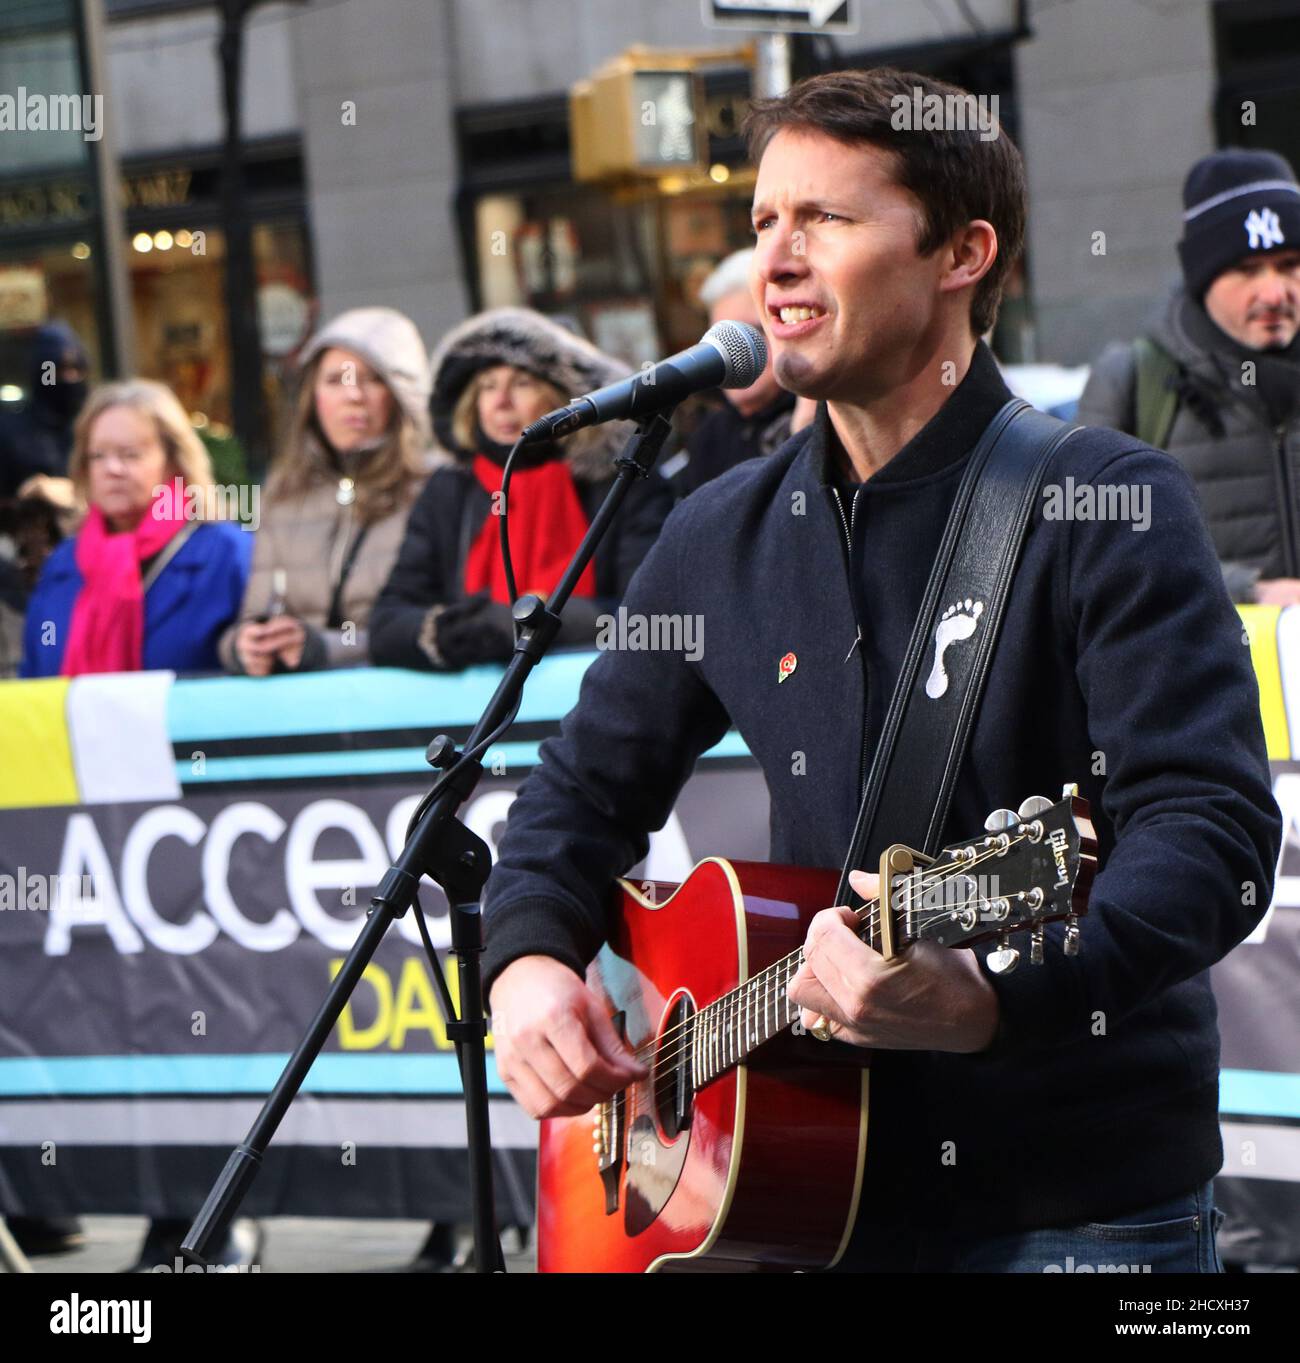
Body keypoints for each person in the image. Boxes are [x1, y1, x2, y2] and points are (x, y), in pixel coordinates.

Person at [480, 68, 1280, 1273]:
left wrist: (1001, 995)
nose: (777, 259)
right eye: (763, 223)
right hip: (812, 1205)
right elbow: (579, 792)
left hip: (1078, 1203)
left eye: (826, 220)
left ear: (961, 253)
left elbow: (1209, 832)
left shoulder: (1103, 502)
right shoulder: (714, 534)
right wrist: (530, 961)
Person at [369, 307, 671, 671]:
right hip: (471, 712)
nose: (501, 402)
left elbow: (652, 621)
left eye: (522, 383)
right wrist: (466, 632)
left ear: (563, 398)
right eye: (487, 386)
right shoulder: (448, 490)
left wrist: (533, 622)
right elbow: (386, 625)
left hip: (601, 690)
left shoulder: (624, 483)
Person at [1078, 149, 1300, 605]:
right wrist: (1250, 591)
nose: (1275, 292)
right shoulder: (1132, 382)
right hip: (1211, 672)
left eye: (1290, 265)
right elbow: (1090, 553)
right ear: (1202, 277)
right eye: (1247, 270)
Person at [219, 307, 436, 675]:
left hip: (407, 709)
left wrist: (325, 648)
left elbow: (438, 629)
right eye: (335, 380)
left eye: (372, 379)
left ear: (402, 393)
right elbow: (254, 616)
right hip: (307, 716)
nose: (353, 395)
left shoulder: (435, 485)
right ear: (311, 396)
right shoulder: (283, 492)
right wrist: (243, 647)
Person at [20, 380, 250, 678]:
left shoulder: (227, 554)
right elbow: (35, 678)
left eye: (130, 454)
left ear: (173, 461)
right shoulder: (64, 562)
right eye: (98, 455)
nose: (112, 468)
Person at [670, 248, 796, 497]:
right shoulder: (711, 434)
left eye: (755, 332)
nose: (738, 352)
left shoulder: (815, 419)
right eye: (725, 339)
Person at [0, 321, 89, 500]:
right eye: (59, 369)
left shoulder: (93, 428)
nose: (70, 377)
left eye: (76, 369)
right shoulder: (11, 431)